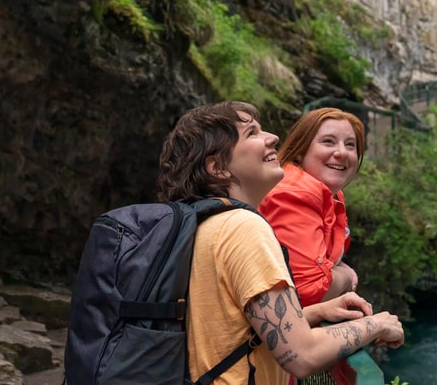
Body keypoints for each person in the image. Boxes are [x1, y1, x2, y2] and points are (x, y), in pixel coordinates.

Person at [157, 102, 403, 385]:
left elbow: (238, 328)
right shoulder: (243, 228)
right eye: (252, 133)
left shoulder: (206, 223)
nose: (273, 137)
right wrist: (377, 324)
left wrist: (319, 311)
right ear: (218, 167)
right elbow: (301, 355)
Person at [260, 108, 365, 306]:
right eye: (328, 141)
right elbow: (306, 292)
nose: (342, 152)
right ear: (300, 151)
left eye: (350, 145)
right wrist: (347, 277)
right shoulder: (294, 194)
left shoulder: (330, 193)